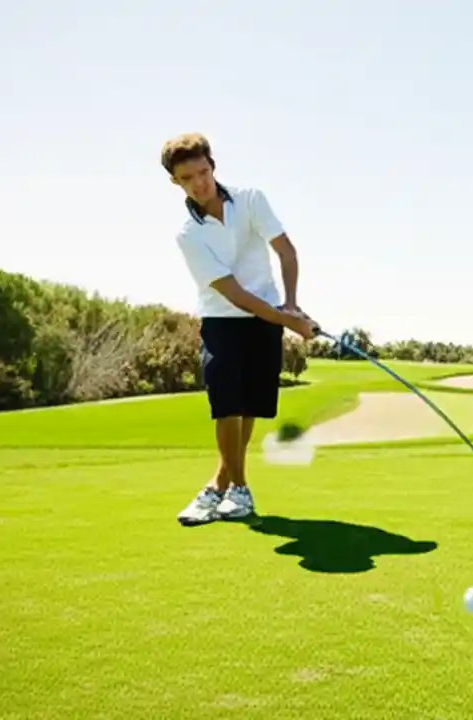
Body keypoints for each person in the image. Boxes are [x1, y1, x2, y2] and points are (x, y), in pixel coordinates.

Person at [160, 132, 318, 527]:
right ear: (175, 182)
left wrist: (292, 304)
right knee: (226, 403)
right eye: (187, 177)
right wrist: (288, 321)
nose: (199, 182)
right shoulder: (188, 235)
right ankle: (241, 487)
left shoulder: (250, 200)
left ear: (213, 165)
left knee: (247, 407)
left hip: (266, 321)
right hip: (223, 320)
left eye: (202, 171)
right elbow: (232, 292)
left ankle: (219, 487)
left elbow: (286, 251)